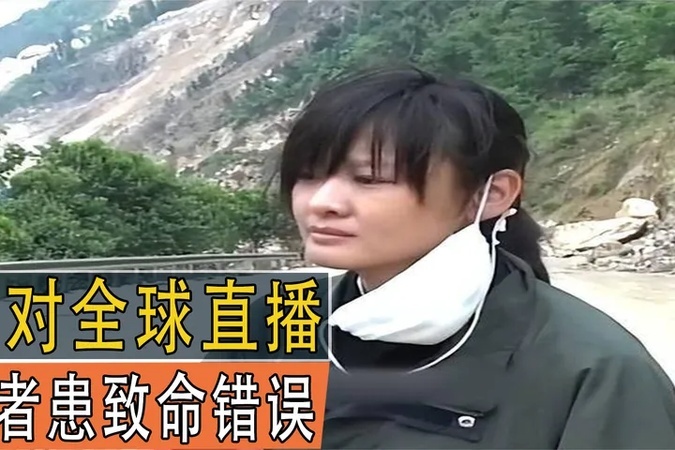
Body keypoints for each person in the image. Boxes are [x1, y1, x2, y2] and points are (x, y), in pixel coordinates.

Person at [208, 66, 675, 448]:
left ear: (492, 194)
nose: (321, 202)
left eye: (369, 179)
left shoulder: (595, 371)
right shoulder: (265, 330)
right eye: (308, 176)